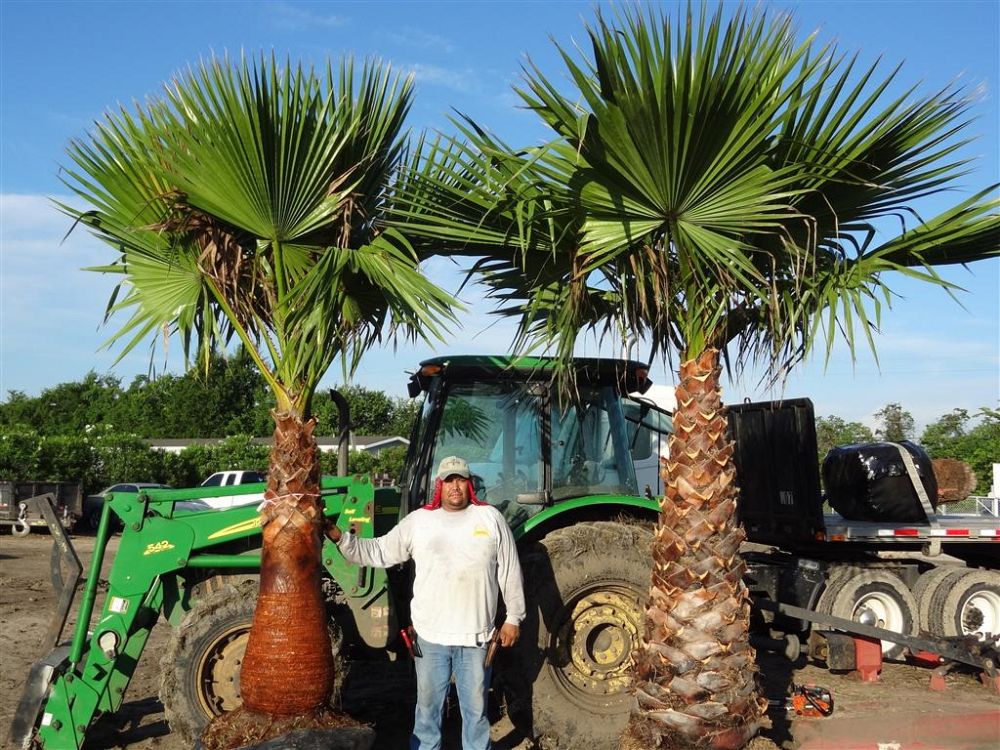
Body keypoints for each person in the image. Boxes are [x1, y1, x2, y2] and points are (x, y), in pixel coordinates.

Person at [326, 455, 526, 750]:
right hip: (431, 639)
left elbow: (510, 569)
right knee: (427, 713)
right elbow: (379, 550)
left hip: (476, 637)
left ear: (468, 484)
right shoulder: (419, 522)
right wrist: (338, 537)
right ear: (439, 486)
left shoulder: (490, 519)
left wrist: (513, 618)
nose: (454, 486)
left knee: (476, 714)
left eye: (460, 479)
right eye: (448, 480)